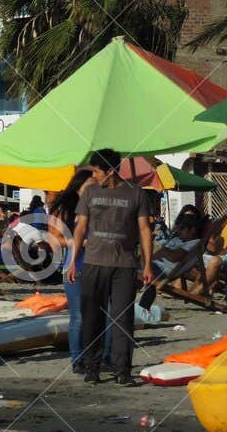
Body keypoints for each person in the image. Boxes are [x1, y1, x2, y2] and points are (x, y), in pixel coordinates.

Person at [65, 148, 153, 385]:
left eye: (97, 171)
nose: (94, 176)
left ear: (111, 171)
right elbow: (80, 228)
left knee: (122, 319)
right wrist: (73, 261)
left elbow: (145, 230)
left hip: (124, 266)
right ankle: (92, 368)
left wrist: (147, 265)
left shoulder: (136, 194)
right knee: (92, 317)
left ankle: (122, 371)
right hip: (93, 263)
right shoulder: (90, 193)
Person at [48, 168, 95, 371]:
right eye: (90, 185)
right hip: (74, 266)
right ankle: (77, 359)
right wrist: (79, 243)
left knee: (96, 314)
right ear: (79, 185)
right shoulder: (63, 208)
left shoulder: (99, 205)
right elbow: (52, 240)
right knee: (78, 316)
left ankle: (94, 355)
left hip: (97, 264)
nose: (94, 188)